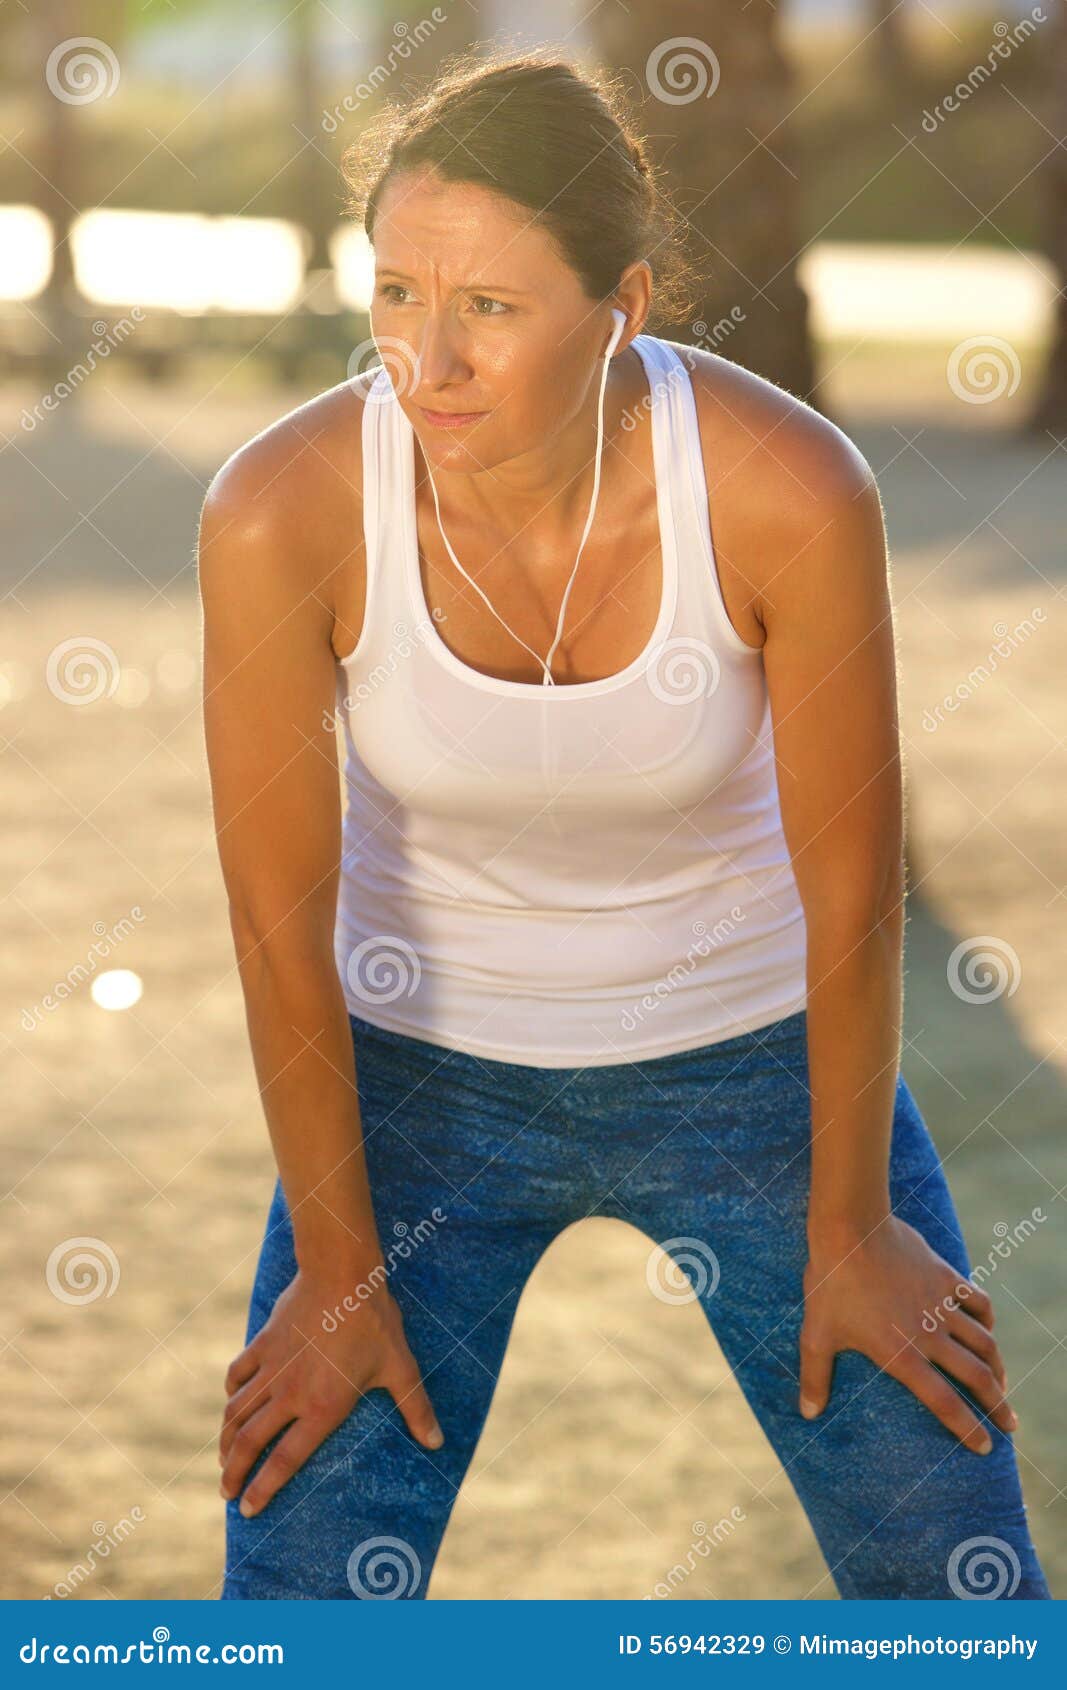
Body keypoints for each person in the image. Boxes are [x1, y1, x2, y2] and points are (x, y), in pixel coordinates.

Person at [198, 47, 1050, 1600]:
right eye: (397, 292)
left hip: (759, 1076)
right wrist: (334, 1270)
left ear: (627, 308)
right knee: (297, 1613)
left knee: (959, 1597)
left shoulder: (788, 486)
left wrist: (850, 1227)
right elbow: (274, 915)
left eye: (493, 310)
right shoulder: (283, 506)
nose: (425, 360)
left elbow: (851, 882)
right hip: (413, 1095)